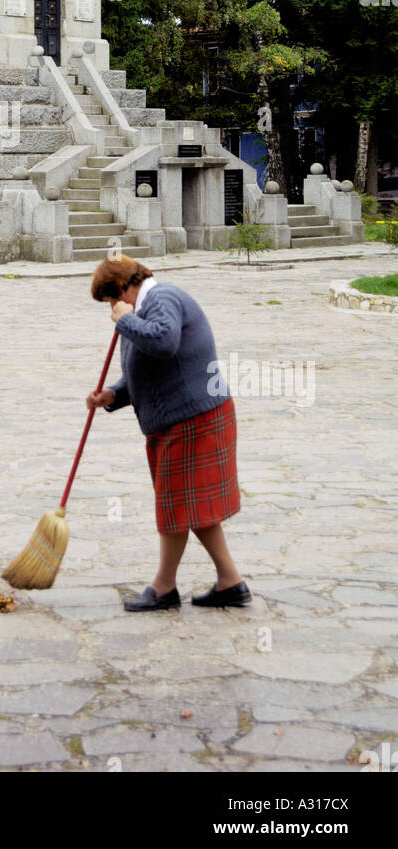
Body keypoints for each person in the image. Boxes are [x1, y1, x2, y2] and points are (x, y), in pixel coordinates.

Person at [86, 255, 250, 612]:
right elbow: (145, 368)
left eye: (113, 299)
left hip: (194, 418)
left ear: (126, 286)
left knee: (176, 506)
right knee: (187, 507)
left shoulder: (161, 300)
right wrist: (114, 394)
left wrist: (126, 321)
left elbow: (164, 342)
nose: (113, 308)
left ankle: (164, 588)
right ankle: (230, 582)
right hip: (178, 420)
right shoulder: (141, 309)